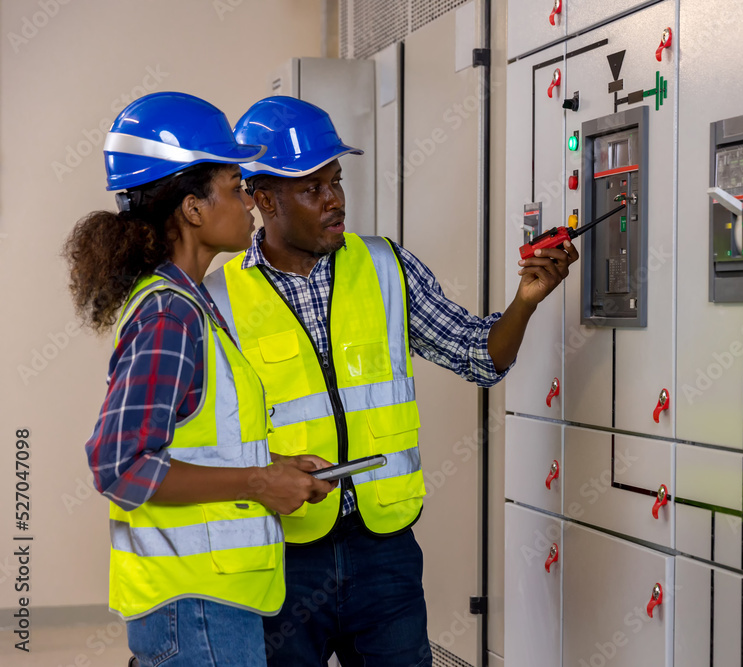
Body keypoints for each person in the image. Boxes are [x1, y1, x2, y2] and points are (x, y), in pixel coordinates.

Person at [203, 96, 578, 666]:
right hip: (281, 556)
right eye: (312, 188)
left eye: (337, 181)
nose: (334, 200)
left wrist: (525, 301)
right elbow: (206, 444)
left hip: (385, 554)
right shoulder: (218, 302)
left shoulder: (385, 267)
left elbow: (480, 356)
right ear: (263, 198)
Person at [65, 92, 335, 667]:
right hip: (195, 612)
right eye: (236, 189)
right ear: (192, 208)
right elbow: (120, 464)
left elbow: (204, 439)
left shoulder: (192, 303)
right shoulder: (170, 314)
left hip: (210, 604)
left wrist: (274, 469)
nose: (249, 204)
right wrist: (260, 485)